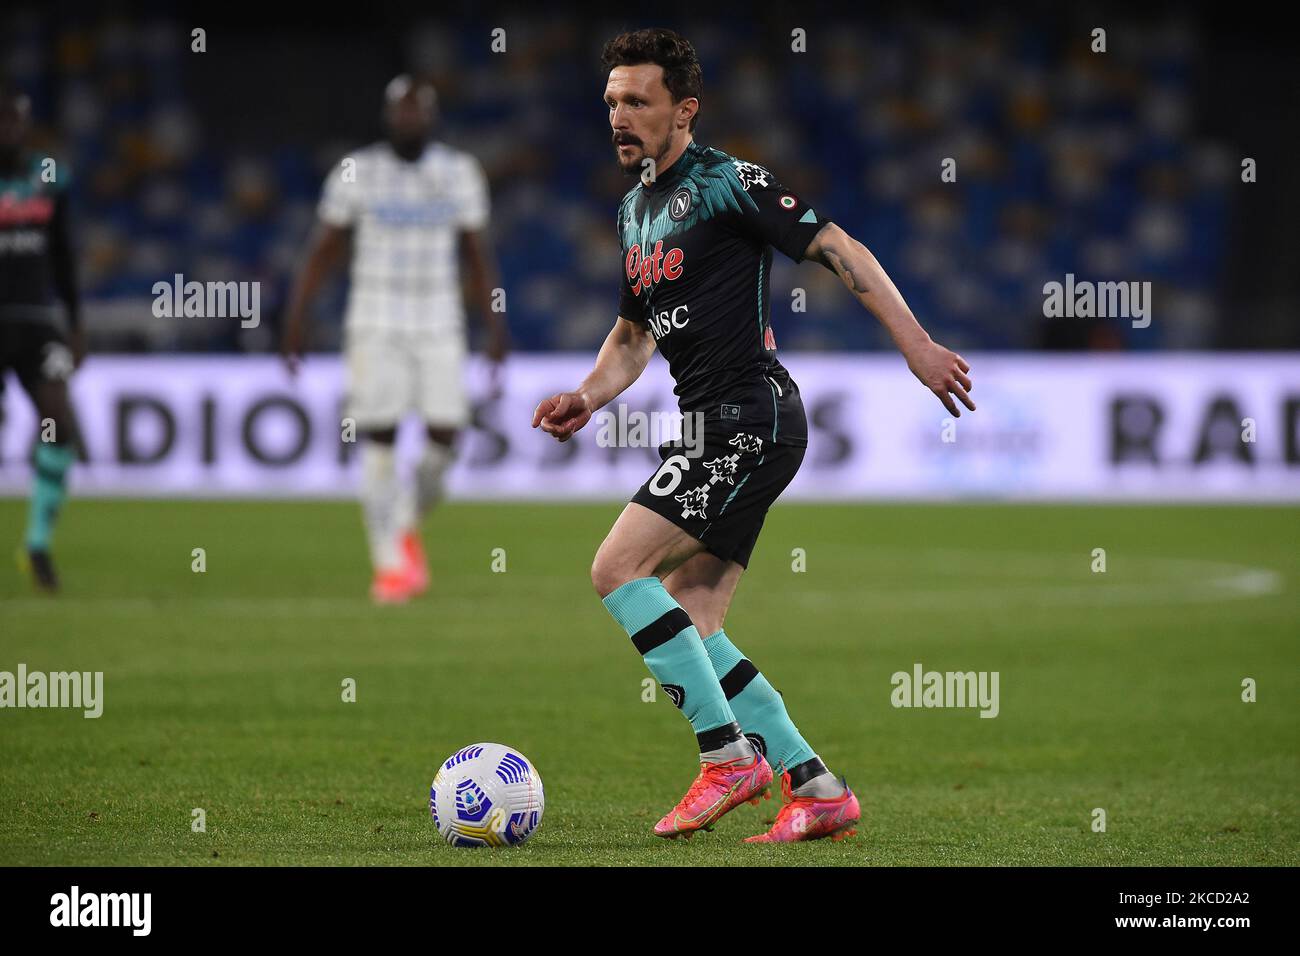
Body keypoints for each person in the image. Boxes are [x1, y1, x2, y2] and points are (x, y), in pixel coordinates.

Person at [532, 29, 975, 842]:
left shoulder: (728, 182)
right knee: (694, 613)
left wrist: (915, 343)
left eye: (638, 101)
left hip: (749, 415)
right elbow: (633, 335)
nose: (620, 116)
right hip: (715, 424)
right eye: (611, 102)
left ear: (683, 110)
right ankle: (816, 785)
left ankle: (729, 759)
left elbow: (836, 246)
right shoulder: (635, 209)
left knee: (617, 568)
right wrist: (588, 396)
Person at [283, 75, 507, 603]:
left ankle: (401, 522)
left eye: (418, 112)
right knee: (379, 434)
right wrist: (296, 320)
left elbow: (477, 254)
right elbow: (323, 251)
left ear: (431, 117)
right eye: (400, 112)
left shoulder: (458, 172)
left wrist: (497, 325)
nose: (408, 120)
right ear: (388, 117)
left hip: (438, 319)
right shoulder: (357, 171)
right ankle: (389, 564)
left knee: (446, 436)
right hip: (375, 318)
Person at [0, 86, 83, 593]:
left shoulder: (49, 177)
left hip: (36, 323)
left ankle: (36, 544)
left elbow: (64, 257)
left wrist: (77, 325)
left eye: (14, 120)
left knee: (58, 419)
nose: (8, 129)